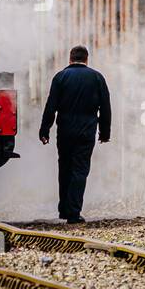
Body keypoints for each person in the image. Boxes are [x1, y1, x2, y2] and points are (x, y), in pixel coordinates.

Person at [38, 45, 111, 223]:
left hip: (65, 131)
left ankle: (64, 209)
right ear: (87, 59)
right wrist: (105, 132)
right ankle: (73, 212)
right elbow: (106, 108)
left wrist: (44, 130)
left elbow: (51, 106)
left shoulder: (60, 77)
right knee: (80, 170)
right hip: (87, 131)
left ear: (70, 59)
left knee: (64, 168)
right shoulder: (97, 77)